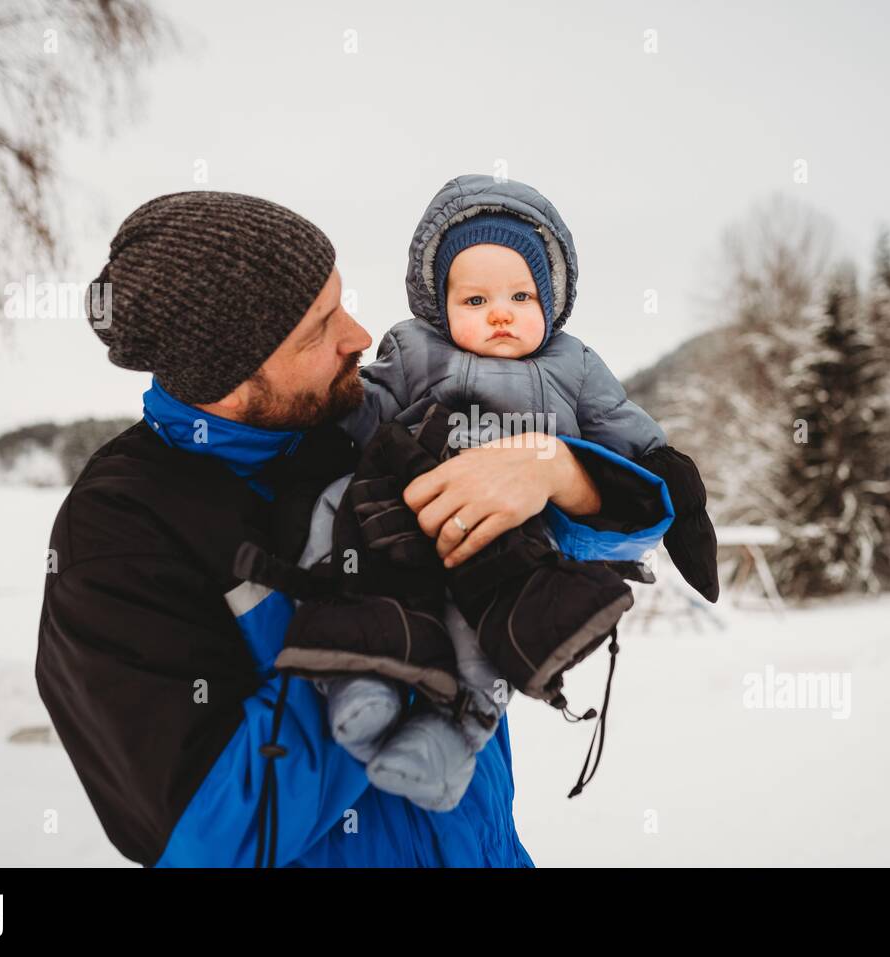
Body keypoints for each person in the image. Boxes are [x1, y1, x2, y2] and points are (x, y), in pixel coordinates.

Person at [34, 189, 676, 867]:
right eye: (319, 327)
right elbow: (212, 831)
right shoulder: (118, 534)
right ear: (227, 375)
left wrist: (564, 475)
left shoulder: (366, 428)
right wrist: (397, 631)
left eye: (341, 300)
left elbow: (615, 542)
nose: (360, 336)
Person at [246, 175, 718, 814]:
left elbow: (630, 438)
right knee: (359, 562)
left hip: (514, 534)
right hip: (413, 508)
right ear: (440, 305)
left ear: (551, 302)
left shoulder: (575, 365)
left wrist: (679, 488)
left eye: (521, 295)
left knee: (482, 634)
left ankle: (454, 737)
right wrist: (308, 432)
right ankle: (362, 680)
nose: (500, 313)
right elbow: (362, 410)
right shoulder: (413, 351)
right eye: (474, 299)